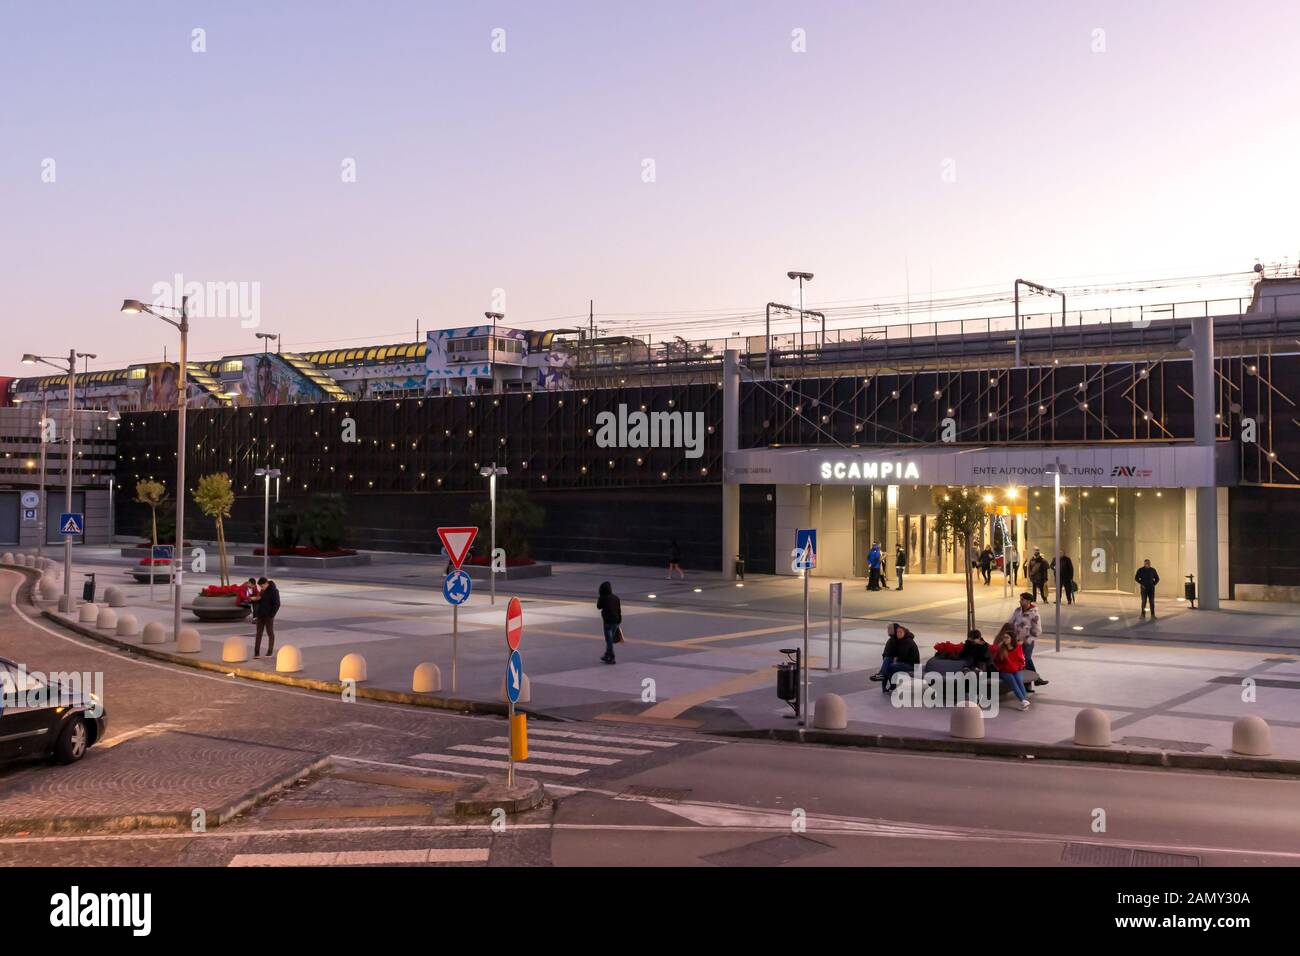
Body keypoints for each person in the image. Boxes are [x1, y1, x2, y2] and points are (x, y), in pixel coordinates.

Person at [1010, 591, 1047, 686]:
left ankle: (1035, 679)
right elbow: (1011, 622)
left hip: (1027, 642)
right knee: (1020, 661)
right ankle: (1028, 683)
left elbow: (1037, 631)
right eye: (1020, 599)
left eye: (1022, 599)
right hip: (1015, 641)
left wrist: (1026, 640)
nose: (1020, 601)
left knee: (1026, 659)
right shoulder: (1018, 610)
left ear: (1028, 601)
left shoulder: (1034, 614)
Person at [991, 624, 1031, 710]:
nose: (1004, 639)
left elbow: (1021, 659)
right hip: (1004, 671)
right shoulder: (1001, 648)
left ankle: (1024, 701)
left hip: (1015, 669)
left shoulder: (1017, 647)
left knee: (1019, 680)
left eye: (1006, 637)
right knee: (1013, 681)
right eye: (1004, 637)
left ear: (1011, 638)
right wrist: (1000, 668)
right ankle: (1023, 701)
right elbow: (996, 661)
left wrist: (1019, 667)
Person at [874, 622, 919, 693]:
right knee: (888, 662)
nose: (898, 633)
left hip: (911, 665)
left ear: (905, 632)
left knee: (890, 667)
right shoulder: (895, 640)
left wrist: (896, 659)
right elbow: (887, 653)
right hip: (904, 662)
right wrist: (894, 659)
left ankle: (889, 683)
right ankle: (885, 679)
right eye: (897, 632)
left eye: (900, 632)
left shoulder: (907, 641)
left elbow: (903, 655)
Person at [252, 576, 279, 658]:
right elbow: (261, 600)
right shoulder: (262, 590)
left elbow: (277, 604)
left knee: (270, 633)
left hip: (268, 616)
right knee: (258, 633)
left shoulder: (274, 591)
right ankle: (256, 653)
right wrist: (257, 599)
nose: (261, 588)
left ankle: (269, 652)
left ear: (266, 583)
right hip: (260, 615)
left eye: (262, 586)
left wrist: (272, 615)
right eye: (260, 586)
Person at [597, 580, 622, 664]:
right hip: (616, 620)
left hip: (607, 621)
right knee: (610, 640)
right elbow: (619, 609)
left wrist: (600, 597)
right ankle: (607, 654)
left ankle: (611, 657)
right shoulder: (615, 597)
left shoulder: (603, 598)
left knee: (609, 640)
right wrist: (620, 619)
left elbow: (598, 607)